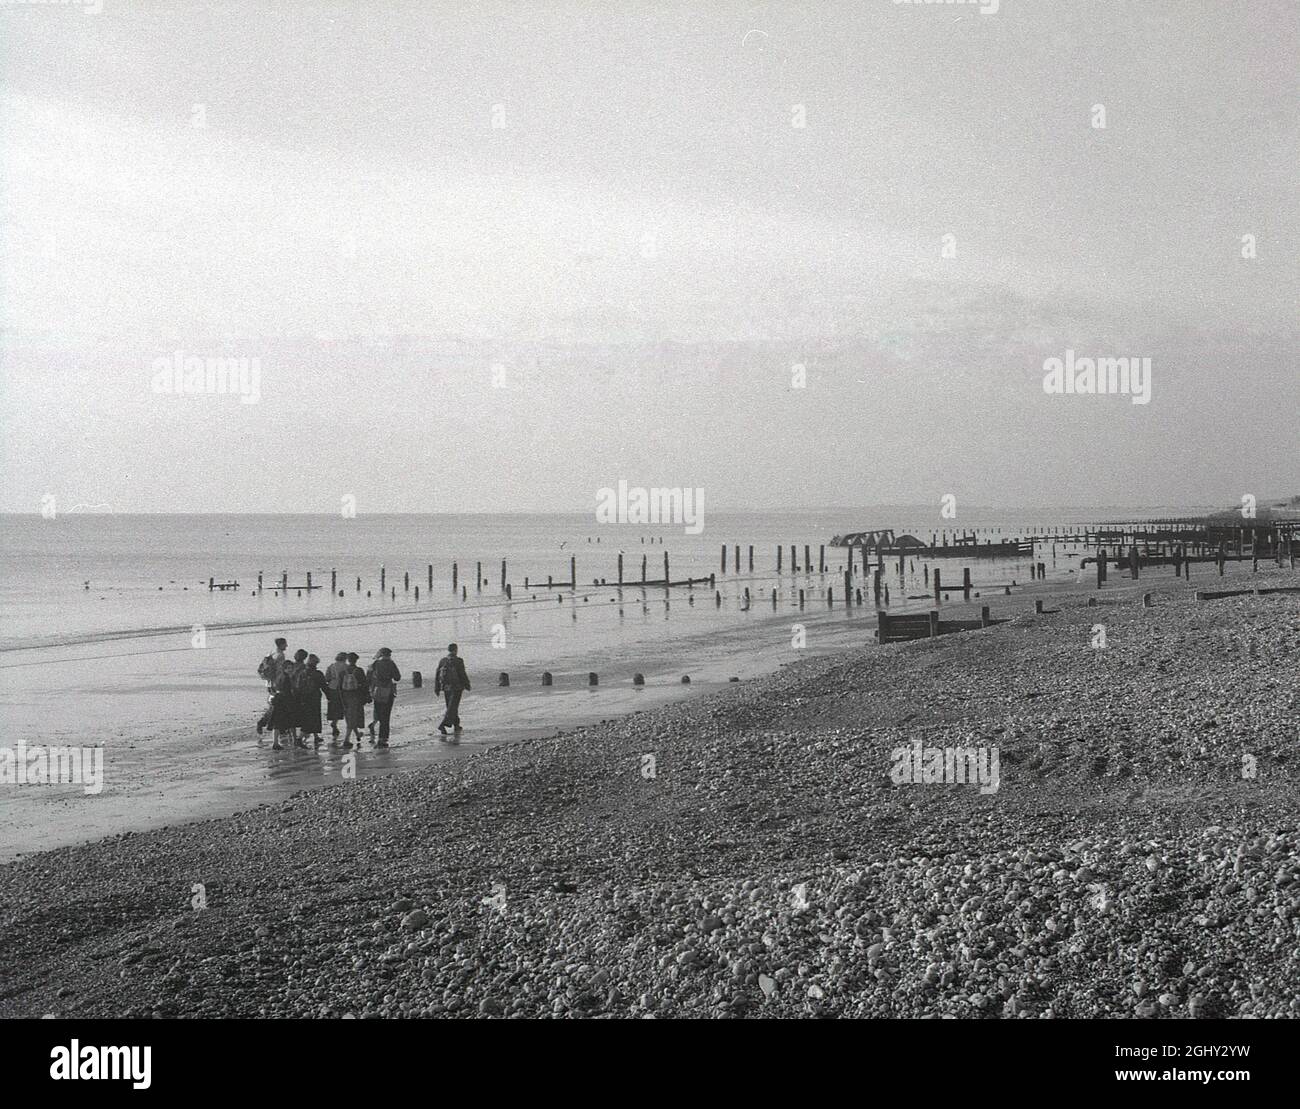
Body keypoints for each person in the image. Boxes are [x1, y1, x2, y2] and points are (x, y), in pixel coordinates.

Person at [434, 642, 470, 737]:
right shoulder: (458, 661)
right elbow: (462, 674)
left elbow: (437, 674)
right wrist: (467, 684)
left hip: (446, 688)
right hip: (456, 687)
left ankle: (456, 725)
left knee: (451, 706)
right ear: (456, 650)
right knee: (453, 707)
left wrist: (437, 688)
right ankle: (442, 725)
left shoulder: (443, 660)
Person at [366, 647, 401, 747]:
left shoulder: (374, 664)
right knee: (386, 716)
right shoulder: (391, 664)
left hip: (377, 692)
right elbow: (397, 677)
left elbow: (367, 679)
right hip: (389, 691)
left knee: (379, 714)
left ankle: (377, 733)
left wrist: (368, 692)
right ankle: (383, 738)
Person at [256, 637, 288, 736]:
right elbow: (279, 671)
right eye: (285, 644)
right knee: (277, 705)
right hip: (276, 684)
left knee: (275, 705)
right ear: (281, 644)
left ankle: (278, 726)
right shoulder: (280, 655)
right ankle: (263, 722)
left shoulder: (271, 652)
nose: (286, 646)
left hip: (269, 682)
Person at [296, 653, 329, 745]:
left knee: (308, 717)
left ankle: (316, 736)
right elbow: (324, 687)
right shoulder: (318, 674)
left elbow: (298, 686)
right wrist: (329, 697)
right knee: (313, 719)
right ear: (315, 663)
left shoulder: (302, 673)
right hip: (314, 698)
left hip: (304, 699)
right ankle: (299, 739)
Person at [339, 651, 370, 749]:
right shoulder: (359, 670)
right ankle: (346, 740)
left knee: (350, 716)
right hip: (356, 696)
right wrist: (367, 696)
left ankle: (357, 735)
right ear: (356, 660)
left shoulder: (342, 671)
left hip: (345, 696)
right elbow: (365, 685)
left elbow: (339, 686)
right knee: (353, 716)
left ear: (348, 660)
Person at [324, 652, 348, 739]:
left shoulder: (331, 666)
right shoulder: (346, 666)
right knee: (342, 707)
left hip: (332, 688)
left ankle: (334, 723)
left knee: (333, 707)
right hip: (342, 688)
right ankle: (335, 723)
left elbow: (326, 678)